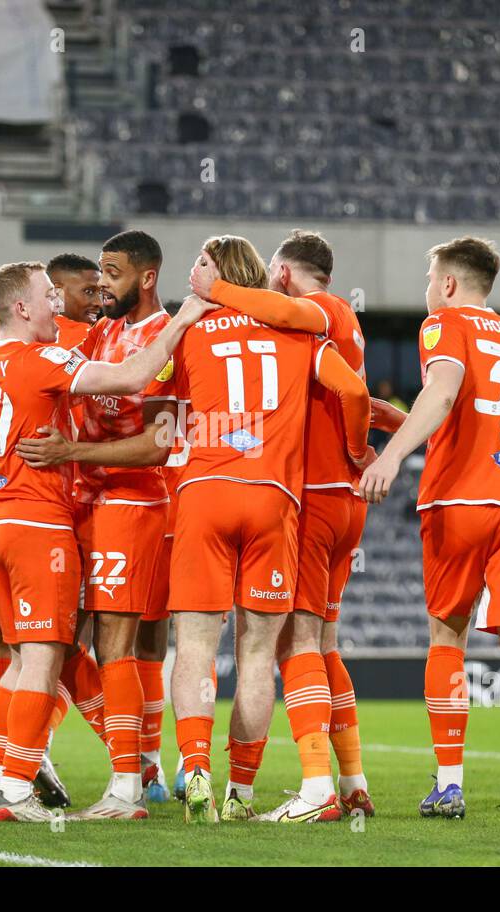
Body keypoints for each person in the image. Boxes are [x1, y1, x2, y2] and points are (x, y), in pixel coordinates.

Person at [0, 261, 207, 822]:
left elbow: (150, 435)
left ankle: (8, 775)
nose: (59, 303)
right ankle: (19, 787)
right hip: (39, 522)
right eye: (46, 295)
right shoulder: (42, 359)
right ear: (21, 309)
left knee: (30, 656)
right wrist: (183, 320)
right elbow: (129, 378)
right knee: (49, 658)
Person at [360, 236, 500, 825]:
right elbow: (472, 417)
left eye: (431, 278)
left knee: (446, 637)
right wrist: (403, 424)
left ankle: (450, 785)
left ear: (449, 284)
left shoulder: (442, 323)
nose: (427, 289)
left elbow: (446, 389)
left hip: (458, 502)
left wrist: (391, 454)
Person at [169, 235, 371, 824]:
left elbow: (153, 393)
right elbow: (355, 390)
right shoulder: (299, 334)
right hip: (275, 501)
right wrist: (359, 452)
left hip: (205, 491)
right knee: (258, 653)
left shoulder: (191, 331)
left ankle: (196, 770)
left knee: (196, 647)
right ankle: (243, 794)